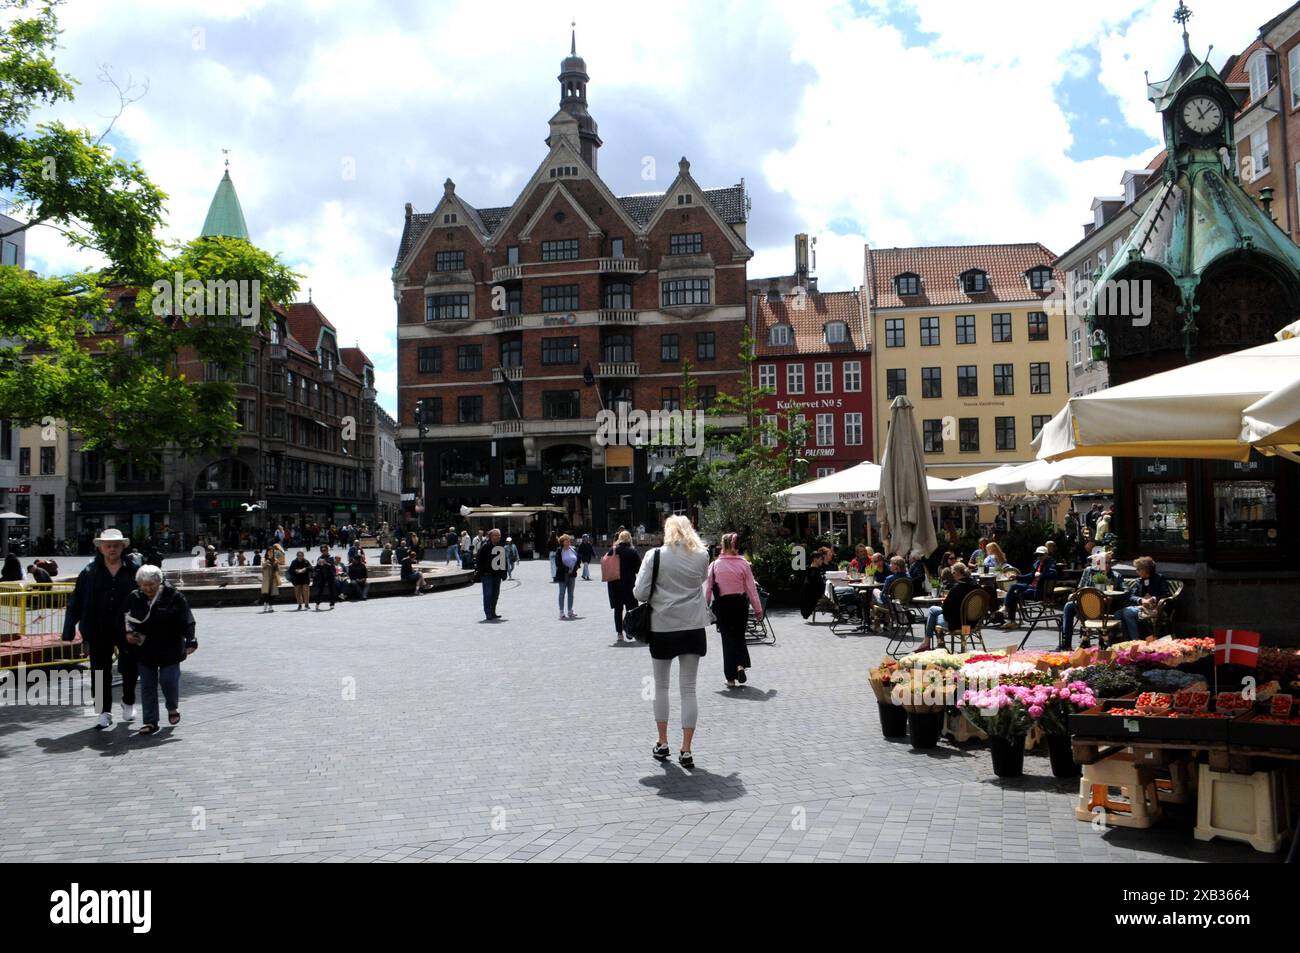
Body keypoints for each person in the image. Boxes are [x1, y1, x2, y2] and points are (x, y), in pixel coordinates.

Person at [633, 514, 710, 769]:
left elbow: (640, 592)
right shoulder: (702, 556)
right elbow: (700, 581)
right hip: (692, 625)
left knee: (662, 687)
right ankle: (686, 749)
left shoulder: (655, 556)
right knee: (688, 688)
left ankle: (662, 741)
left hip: (663, 626)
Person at [61, 528, 140, 729]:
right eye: (108, 546)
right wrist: (68, 629)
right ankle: (103, 711)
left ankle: (128, 701)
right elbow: (76, 601)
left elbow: (147, 596)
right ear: (101, 548)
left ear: (122, 547)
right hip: (98, 628)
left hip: (127, 627)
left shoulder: (134, 570)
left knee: (131, 666)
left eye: (116, 545)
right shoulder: (89, 572)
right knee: (99, 671)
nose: (112, 549)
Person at [124, 564, 197, 736]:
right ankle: (150, 721)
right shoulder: (134, 597)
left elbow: (186, 618)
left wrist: (191, 639)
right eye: (144, 585)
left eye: (152, 584)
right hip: (145, 648)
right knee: (147, 686)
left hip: (170, 647)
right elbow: (125, 618)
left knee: (168, 680)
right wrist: (127, 633)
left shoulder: (174, 596)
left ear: (159, 582)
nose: (148, 588)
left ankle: (172, 707)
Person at [706, 533, 764, 688]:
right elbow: (751, 589)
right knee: (739, 636)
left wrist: (705, 608)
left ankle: (730, 677)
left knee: (727, 639)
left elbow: (708, 590)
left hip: (723, 606)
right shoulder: (744, 564)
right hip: (740, 604)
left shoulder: (714, 565)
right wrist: (758, 609)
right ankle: (740, 665)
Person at [1059, 550, 1124, 649]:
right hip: (1087, 605)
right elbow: (1081, 588)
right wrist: (1074, 594)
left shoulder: (1116, 576)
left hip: (1106, 607)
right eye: (1103, 562)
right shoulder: (1088, 571)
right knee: (1069, 606)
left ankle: (1095, 640)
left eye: (1108, 563)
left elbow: (1125, 592)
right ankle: (1066, 643)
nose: (1106, 565)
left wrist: (1113, 597)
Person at [920, 561, 979, 652]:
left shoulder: (956, 588)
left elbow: (945, 610)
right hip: (973, 624)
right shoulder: (977, 587)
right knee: (933, 610)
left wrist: (946, 601)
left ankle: (935, 644)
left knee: (933, 615)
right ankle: (934, 644)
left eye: (953, 573)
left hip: (959, 625)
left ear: (956, 573)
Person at [998, 545, 1059, 628]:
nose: (1039, 557)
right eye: (1038, 555)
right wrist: (1017, 577)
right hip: (1032, 587)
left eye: (1041, 555)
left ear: (1046, 555)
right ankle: (1006, 609)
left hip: (1038, 591)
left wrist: (1041, 575)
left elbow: (1053, 573)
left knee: (1015, 594)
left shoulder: (1050, 563)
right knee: (1013, 587)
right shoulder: (1037, 564)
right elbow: (1031, 575)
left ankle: (1011, 619)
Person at [604, 529, 642, 641]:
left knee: (618, 609)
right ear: (629, 538)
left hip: (614, 583)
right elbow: (638, 569)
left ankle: (619, 633)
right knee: (631, 609)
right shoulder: (632, 551)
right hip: (629, 584)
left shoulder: (612, 550)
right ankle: (630, 632)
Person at [1120, 556, 1169, 641]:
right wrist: (1141, 600)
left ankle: (1135, 640)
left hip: (1155, 608)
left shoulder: (1159, 578)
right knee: (1118, 614)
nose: (1136, 571)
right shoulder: (1139, 580)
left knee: (1126, 613)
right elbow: (1132, 596)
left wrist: (1153, 599)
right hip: (1141, 607)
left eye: (1138, 569)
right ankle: (1128, 640)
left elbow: (1166, 594)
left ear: (1146, 569)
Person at [476, 527, 506, 621]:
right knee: (488, 594)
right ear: (491, 536)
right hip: (487, 574)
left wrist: (504, 573)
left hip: (497, 575)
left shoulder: (500, 546)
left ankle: (493, 612)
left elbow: (503, 560)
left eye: (499, 535)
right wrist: (482, 572)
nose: (498, 537)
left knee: (495, 594)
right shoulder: (485, 546)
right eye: (496, 535)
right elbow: (478, 559)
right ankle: (488, 614)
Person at [552, 534, 580, 620]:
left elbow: (578, 559)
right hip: (563, 574)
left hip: (572, 574)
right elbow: (558, 563)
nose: (568, 542)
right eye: (566, 540)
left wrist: (574, 568)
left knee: (571, 593)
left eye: (569, 540)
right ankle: (561, 612)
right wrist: (567, 569)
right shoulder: (559, 551)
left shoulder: (573, 549)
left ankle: (570, 610)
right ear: (562, 542)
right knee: (562, 593)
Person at [312, 545, 337, 610]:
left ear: (327, 550)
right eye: (322, 550)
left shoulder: (331, 557)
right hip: (322, 575)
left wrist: (325, 563)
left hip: (330, 575)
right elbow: (317, 567)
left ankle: (332, 604)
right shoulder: (320, 557)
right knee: (320, 590)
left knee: (331, 590)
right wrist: (317, 566)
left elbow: (332, 566)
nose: (323, 552)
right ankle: (317, 603)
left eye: (324, 550)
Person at [259, 546, 281, 612]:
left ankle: (270, 605)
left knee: (273, 593)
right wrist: (267, 561)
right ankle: (266, 603)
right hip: (266, 578)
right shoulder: (264, 559)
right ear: (267, 552)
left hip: (273, 578)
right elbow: (262, 565)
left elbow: (278, 569)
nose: (271, 552)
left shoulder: (275, 559)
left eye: (272, 551)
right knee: (266, 593)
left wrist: (276, 564)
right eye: (269, 551)